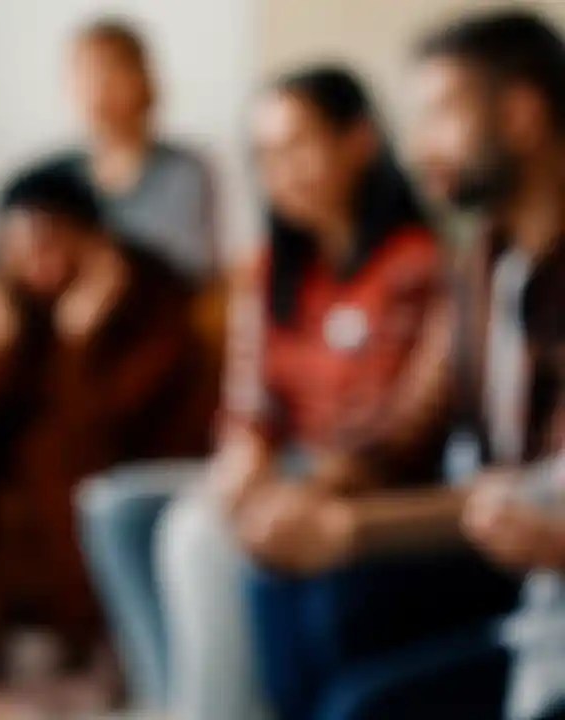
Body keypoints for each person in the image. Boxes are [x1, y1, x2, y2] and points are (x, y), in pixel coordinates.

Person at [78, 66, 485, 718]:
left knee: (196, 532)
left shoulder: (417, 263)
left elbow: (404, 426)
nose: (282, 170)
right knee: (115, 506)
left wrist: (301, 485)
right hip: (284, 459)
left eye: (298, 146)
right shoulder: (271, 268)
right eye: (265, 155)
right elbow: (249, 400)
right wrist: (244, 453)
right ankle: (170, 699)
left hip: (360, 474)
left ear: (358, 142)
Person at [285, 11, 565, 720]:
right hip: (496, 531)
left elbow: (546, 490)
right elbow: (416, 412)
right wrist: (328, 479)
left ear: (525, 115)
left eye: (441, 114)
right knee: (301, 584)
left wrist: (357, 526)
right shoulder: (481, 258)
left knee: (359, 691)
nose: (417, 148)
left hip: (525, 543)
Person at [0, 164, 209, 701]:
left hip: (134, 455)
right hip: (43, 449)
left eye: (46, 242)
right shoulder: (14, 293)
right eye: (16, 246)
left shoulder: (150, 297)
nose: (32, 261)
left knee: (55, 457)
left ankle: (101, 649)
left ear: (92, 240)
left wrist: (78, 340)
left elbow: (102, 423)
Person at [0, 17, 217, 287]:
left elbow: (190, 264)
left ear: (143, 79)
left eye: (110, 70)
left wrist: (102, 266)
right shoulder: (41, 180)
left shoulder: (184, 173)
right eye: (83, 72)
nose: (97, 86)